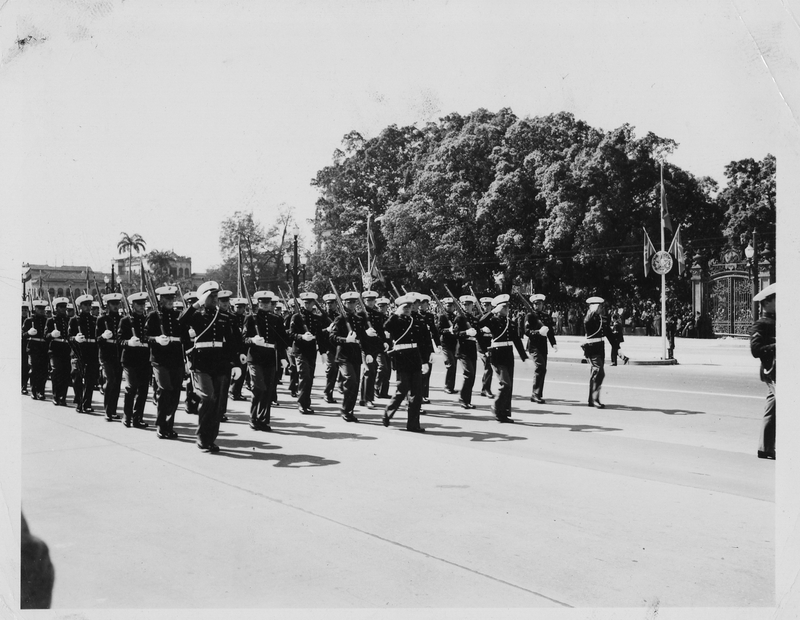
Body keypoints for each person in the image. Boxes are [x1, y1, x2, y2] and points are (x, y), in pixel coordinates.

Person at [477, 294, 529, 423]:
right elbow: (480, 322)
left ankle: (503, 413)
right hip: (497, 355)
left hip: (508, 355)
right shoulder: (493, 320)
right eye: (504, 307)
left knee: (509, 386)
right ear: (498, 308)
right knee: (505, 384)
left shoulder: (510, 322)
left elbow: (516, 340)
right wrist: (492, 312)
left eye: (508, 306)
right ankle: (496, 406)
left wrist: (524, 357)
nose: (507, 309)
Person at [244, 291, 289, 431]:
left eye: (267, 303)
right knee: (259, 387)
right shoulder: (251, 318)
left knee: (268, 390)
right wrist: (252, 340)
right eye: (262, 303)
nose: (264, 305)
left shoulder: (276, 319)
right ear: (258, 304)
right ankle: (253, 417)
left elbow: (281, 340)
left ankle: (263, 420)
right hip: (255, 357)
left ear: (271, 304)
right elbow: (243, 338)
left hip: (270, 356)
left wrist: (283, 357)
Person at [146, 286, 186, 439]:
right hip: (160, 360)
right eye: (167, 298)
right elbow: (145, 336)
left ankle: (169, 425)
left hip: (176, 359)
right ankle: (161, 425)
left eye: (172, 298)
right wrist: (155, 339)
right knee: (165, 389)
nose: (170, 301)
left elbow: (184, 337)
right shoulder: (154, 316)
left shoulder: (177, 315)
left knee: (175, 393)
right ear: (160, 300)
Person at [382, 294, 426, 432]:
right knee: (402, 389)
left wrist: (425, 360)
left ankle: (413, 424)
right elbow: (386, 327)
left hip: (415, 358)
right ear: (399, 308)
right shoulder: (395, 321)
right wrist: (395, 314)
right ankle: (388, 413)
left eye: (409, 307)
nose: (408, 309)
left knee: (416, 393)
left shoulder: (415, 321)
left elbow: (422, 341)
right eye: (404, 307)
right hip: (401, 358)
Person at [330, 291, 371, 422]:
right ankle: (345, 409)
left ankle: (349, 410)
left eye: (354, 302)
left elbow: (364, 339)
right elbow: (332, 337)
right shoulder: (340, 319)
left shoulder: (359, 319)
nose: (352, 304)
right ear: (344, 303)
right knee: (351, 380)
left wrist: (368, 352)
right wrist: (345, 339)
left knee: (355, 384)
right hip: (343, 356)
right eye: (349, 302)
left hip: (356, 356)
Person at [749, 283, 776, 460]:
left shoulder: (779, 320)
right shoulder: (762, 324)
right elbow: (755, 349)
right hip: (773, 372)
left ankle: (765, 447)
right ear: (767, 303)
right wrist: (777, 345)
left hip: (779, 371)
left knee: (773, 406)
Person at [118, 292, 152, 427]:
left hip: (144, 358)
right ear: (133, 305)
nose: (142, 306)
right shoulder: (126, 321)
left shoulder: (148, 319)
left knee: (143, 389)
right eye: (139, 304)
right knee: (132, 387)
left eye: (143, 303)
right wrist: (128, 342)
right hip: (130, 359)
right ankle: (127, 416)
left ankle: (138, 418)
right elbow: (119, 340)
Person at [68, 294, 100, 413]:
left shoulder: (94, 320)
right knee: (76, 377)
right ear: (79, 306)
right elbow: (68, 337)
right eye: (85, 305)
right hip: (78, 352)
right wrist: (75, 338)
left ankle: (87, 403)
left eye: (89, 305)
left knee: (90, 379)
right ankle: (79, 400)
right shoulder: (74, 320)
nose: (87, 307)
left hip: (91, 352)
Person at [524, 294, 558, 403]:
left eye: (539, 303)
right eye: (535, 303)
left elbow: (550, 332)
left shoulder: (546, 316)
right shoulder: (530, 316)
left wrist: (553, 343)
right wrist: (538, 332)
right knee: (540, 367)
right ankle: (535, 394)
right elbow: (526, 331)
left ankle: (538, 393)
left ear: (542, 304)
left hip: (543, 346)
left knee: (543, 369)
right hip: (534, 346)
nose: (537, 305)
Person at [582, 296, 614, 408]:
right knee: (599, 372)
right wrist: (593, 311)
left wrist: (617, 348)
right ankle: (595, 399)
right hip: (591, 348)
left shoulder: (601, 318)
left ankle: (592, 399)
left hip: (600, 348)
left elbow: (608, 334)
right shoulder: (589, 318)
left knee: (595, 373)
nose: (602, 309)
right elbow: (587, 322)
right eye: (600, 306)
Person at [96, 293, 124, 421]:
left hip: (118, 354)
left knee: (117, 384)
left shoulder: (122, 319)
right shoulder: (102, 320)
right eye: (113, 304)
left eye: (117, 303)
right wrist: (103, 337)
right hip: (106, 355)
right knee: (110, 381)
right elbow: (97, 340)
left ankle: (113, 410)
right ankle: (107, 410)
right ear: (107, 305)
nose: (116, 306)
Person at [357, 291, 386, 409]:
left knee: (368, 372)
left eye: (372, 300)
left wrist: (384, 342)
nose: (370, 302)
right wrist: (365, 333)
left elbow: (381, 331)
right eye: (368, 300)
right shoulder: (359, 315)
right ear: (364, 300)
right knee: (370, 371)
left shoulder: (378, 315)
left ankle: (364, 398)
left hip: (375, 347)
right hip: (364, 346)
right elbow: (358, 332)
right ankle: (368, 399)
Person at [454, 295, 480, 409]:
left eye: (468, 304)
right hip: (463, 349)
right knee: (468, 374)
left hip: (472, 349)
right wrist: (466, 332)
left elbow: (478, 333)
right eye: (464, 304)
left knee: (472, 375)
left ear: (472, 306)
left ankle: (467, 400)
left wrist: (479, 331)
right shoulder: (459, 318)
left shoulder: (474, 319)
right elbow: (456, 333)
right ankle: (463, 399)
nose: (466, 306)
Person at [45, 297, 71, 407]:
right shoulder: (51, 320)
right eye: (61, 307)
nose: (63, 309)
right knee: (56, 372)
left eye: (64, 307)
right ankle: (56, 396)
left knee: (65, 374)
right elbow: (45, 336)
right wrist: (51, 334)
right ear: (56, 308)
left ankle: (63, 397)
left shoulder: (68, 320)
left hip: (66, 349)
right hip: (55, 350)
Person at [417, 294, 440, 404]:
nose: (423, 306)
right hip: (418, 347)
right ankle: (418, 395)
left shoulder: (430, 316)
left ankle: (425, 394)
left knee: (427, 372)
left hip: (428, 346)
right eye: (421, 304)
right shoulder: (415, 315)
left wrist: (438, 344)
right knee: (419, 373)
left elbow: (434, 331)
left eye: (425, 304)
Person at [319, 293, 340, 403]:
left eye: (332, 303)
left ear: (336, 304)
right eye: (328, 303)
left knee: (336, 370)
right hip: (328, 346)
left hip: (338, 346)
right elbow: (317, 333)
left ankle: (333, 391)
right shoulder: (322, 317)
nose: (330, 305)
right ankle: (328, 393)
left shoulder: (339, 316)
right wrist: (326, 329)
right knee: (332, 369)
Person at [229, 298, 249, 401]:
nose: (240, 309)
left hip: (243, 348)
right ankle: (232, 391)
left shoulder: (246, 318)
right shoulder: (231, 318)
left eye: (242, 307)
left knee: (243, 370)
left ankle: (238, 391)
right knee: (235, 370)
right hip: (234, 348)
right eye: (238, 307)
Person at [437, 297, 458, 394]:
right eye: (448, 305)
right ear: (444, 306)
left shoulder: (455, 317)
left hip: (454, 344)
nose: (450, 307)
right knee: (450, 365)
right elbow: (439, 330)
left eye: (452, 305)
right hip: (445, 343)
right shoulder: (442, 316)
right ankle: (447, 386)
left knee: (454, 365)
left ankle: (451, 386)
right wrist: (448, 330)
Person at [374, 297, 392, 399]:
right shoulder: (376, 318)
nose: (382, 308)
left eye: (384, 306)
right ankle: (376, 386)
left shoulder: (388, 318)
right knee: (382, 367)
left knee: (388, 370)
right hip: (379, 346)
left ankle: (384, 391)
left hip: (389, 347)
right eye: (380, 306)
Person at [478, 297, 494, 398]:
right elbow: (476, 333)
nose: (487, 307)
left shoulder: (493, 318)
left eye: (488, 305)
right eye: (485, 305)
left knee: (489, 368)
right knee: (488, 367)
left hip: (491, 346)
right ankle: (486, 389)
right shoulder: (479, 317)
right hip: (482, 347)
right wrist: (482, 331)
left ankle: (485, 388)